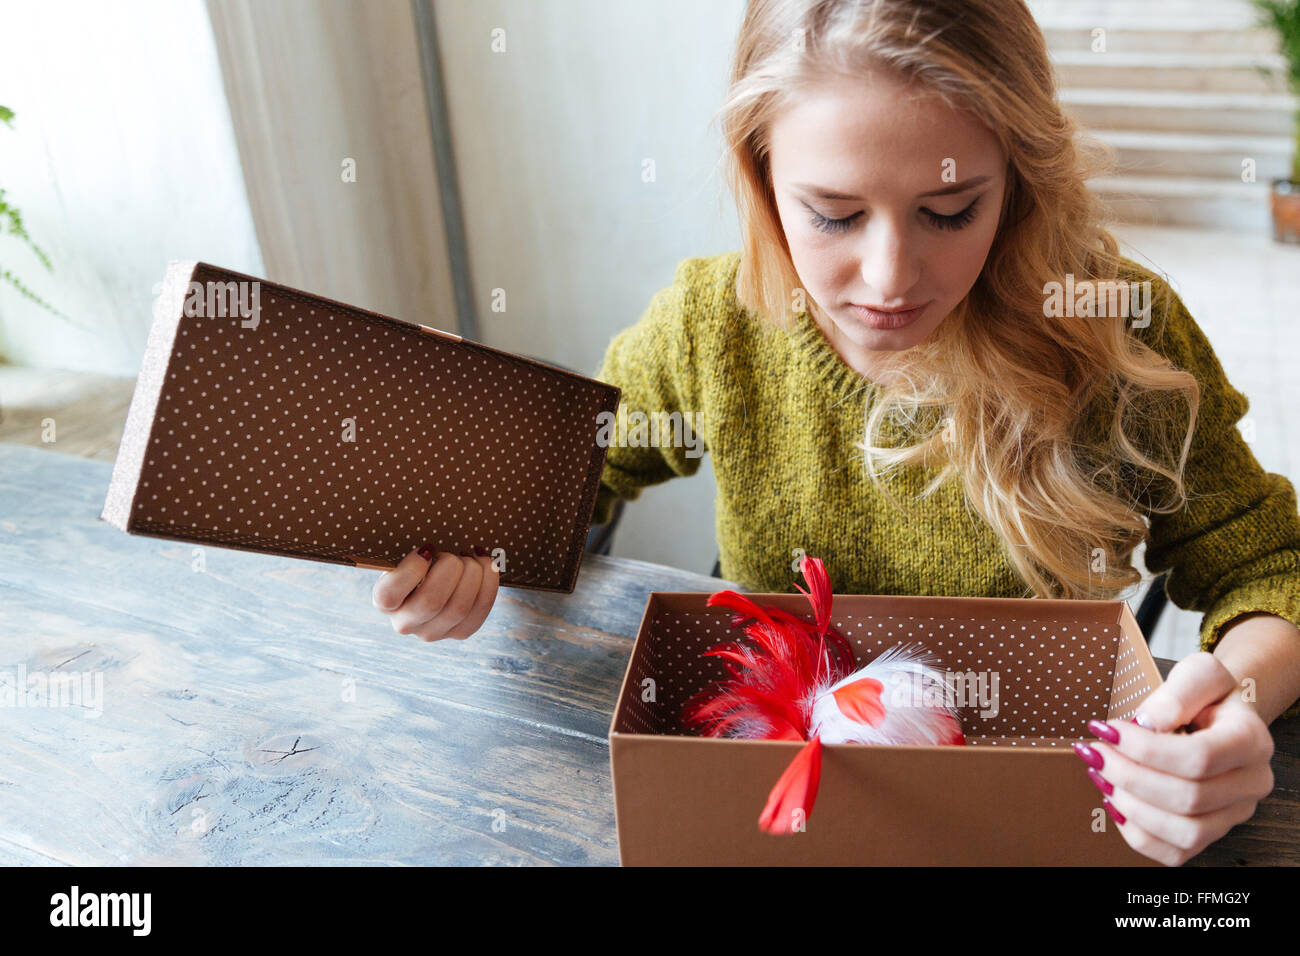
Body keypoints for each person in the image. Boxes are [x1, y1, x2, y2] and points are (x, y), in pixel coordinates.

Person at [371, 0, 1300, 865]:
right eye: (833, 214)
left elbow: (1269, 568)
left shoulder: (1110, 326)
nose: (890, 277)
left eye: (949, 211)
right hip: (776, 814)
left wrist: (1235, 706)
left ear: (1019, 179)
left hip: (1035, 819)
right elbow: (568, 476)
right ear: (760, 175)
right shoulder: (711, 323)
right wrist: (466, 529)